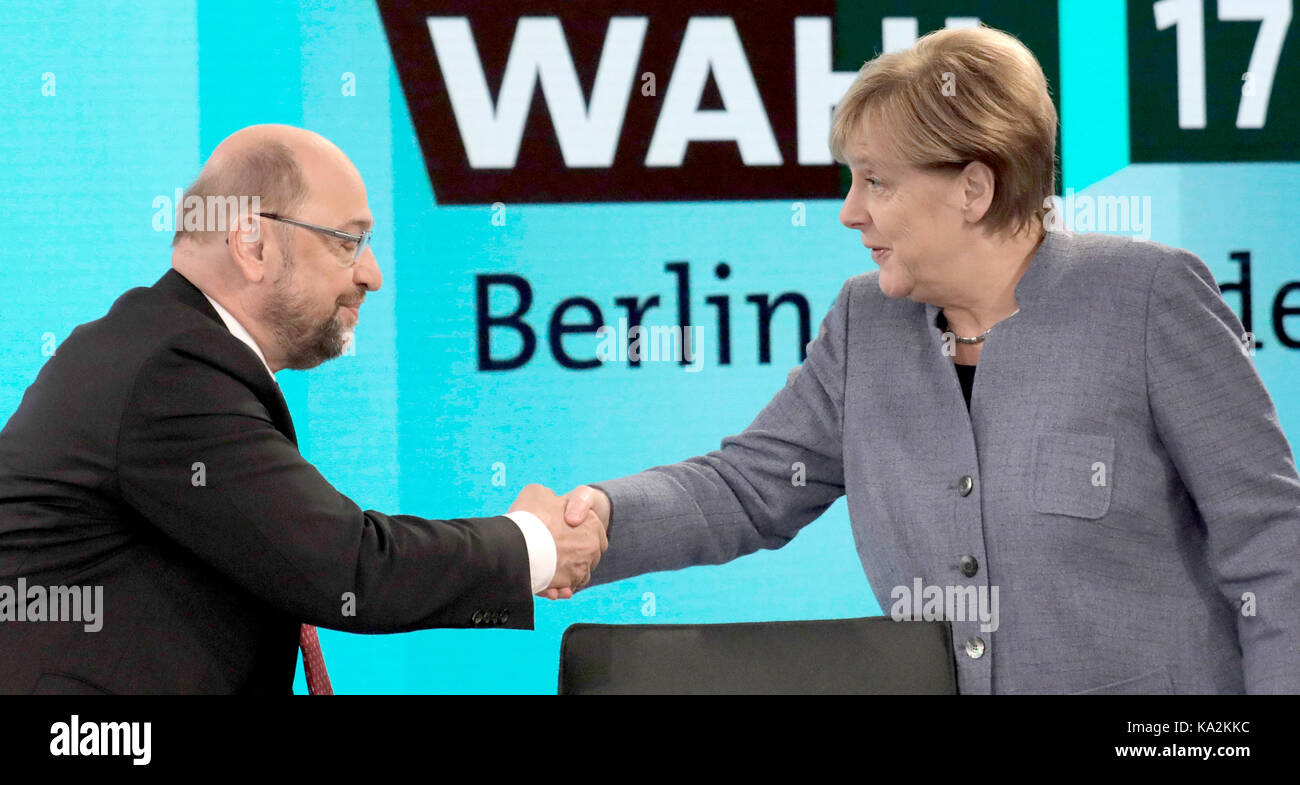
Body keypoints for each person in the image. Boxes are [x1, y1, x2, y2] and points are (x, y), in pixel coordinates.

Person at [540, 26, 1300, 694]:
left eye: (876, 181)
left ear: (973, 187)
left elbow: (1273, 546)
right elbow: (745, 488)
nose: (849, 211)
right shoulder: (863, 323)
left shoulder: (1147, 296)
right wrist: (602, 518)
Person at [0, 125, 606, 694]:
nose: (372, 275)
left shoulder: (159, 348)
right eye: (348, 240)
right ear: (253, 243)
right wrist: (534, 545)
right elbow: (350, 567)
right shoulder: (172, 369)